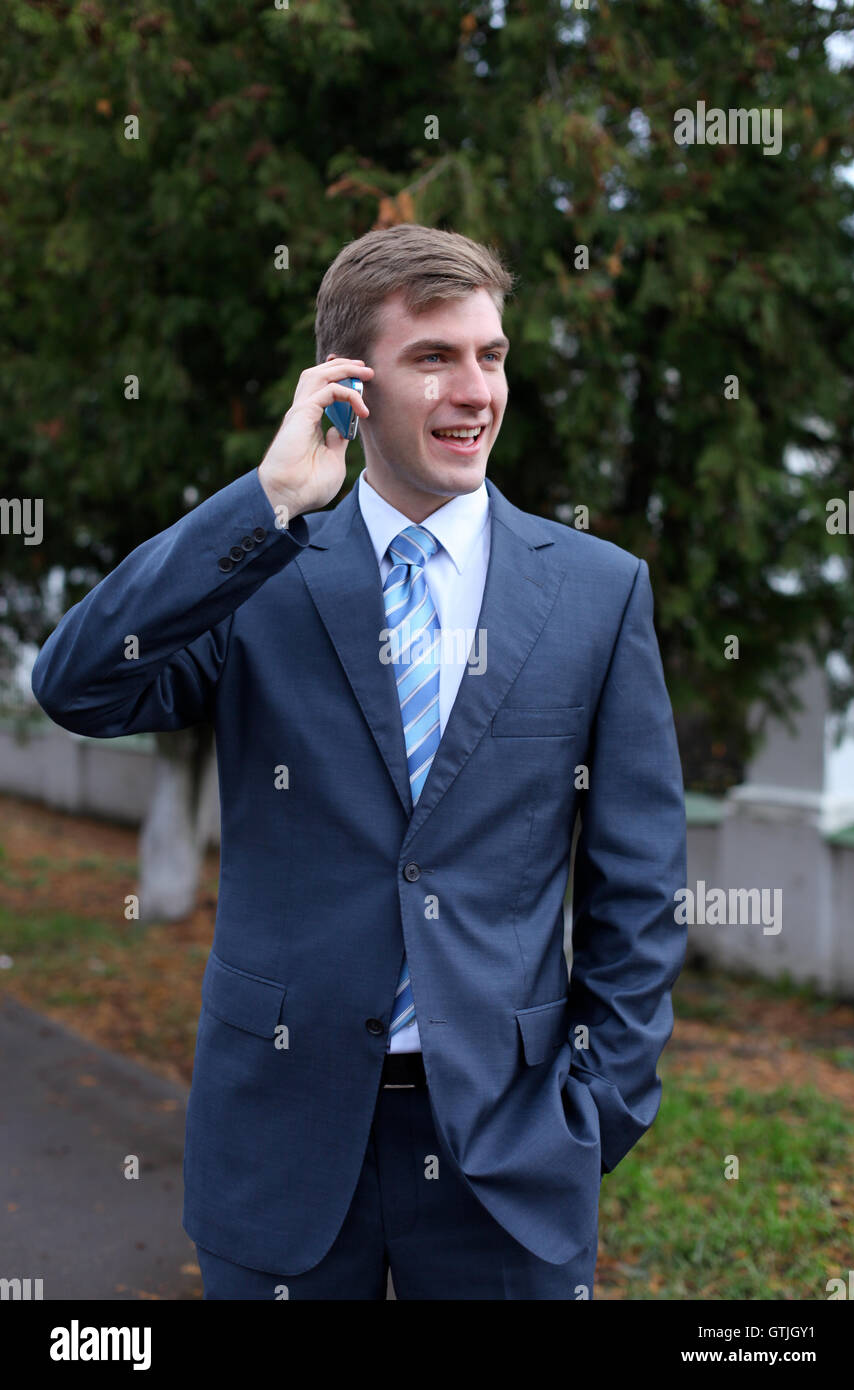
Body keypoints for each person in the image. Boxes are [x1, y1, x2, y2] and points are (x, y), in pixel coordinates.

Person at [30, 223, 688, 1300]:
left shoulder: (595, 590)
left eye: (491, 355)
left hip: (508, 1151)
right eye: (433, 357)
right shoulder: (259, 572)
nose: (473, 390)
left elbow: (640, 886)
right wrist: (269, 500)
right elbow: (78, 682)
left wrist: (594, 1109)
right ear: (349, 385)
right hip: (278, 1137)